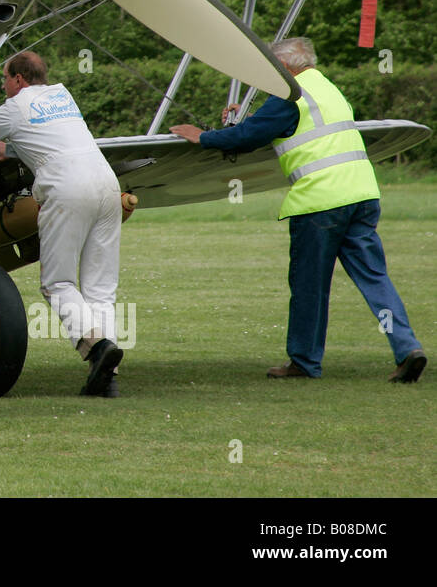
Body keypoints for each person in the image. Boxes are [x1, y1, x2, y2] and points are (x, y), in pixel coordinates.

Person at [170, 37, 425, 383]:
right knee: (374, 277)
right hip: (363, 194)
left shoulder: (289, 96)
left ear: (285, 68)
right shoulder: (328, 88)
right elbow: (286, 126)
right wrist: (246, 120)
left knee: (309, 284)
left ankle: (304, 362)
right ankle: (407, 347)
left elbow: (247, 137)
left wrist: (202, 136)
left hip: (320, 202)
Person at [0, 51, 124, 397]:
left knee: (58, 283)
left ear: (18, 78)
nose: (3, 86)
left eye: (4, 79)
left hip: (67, 189)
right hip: (109, 186)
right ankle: (107, 377)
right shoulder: (62, 95)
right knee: (100, 288)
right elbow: (54, 139)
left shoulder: (14, 107)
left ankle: (97, 346)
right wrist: (13, 148)